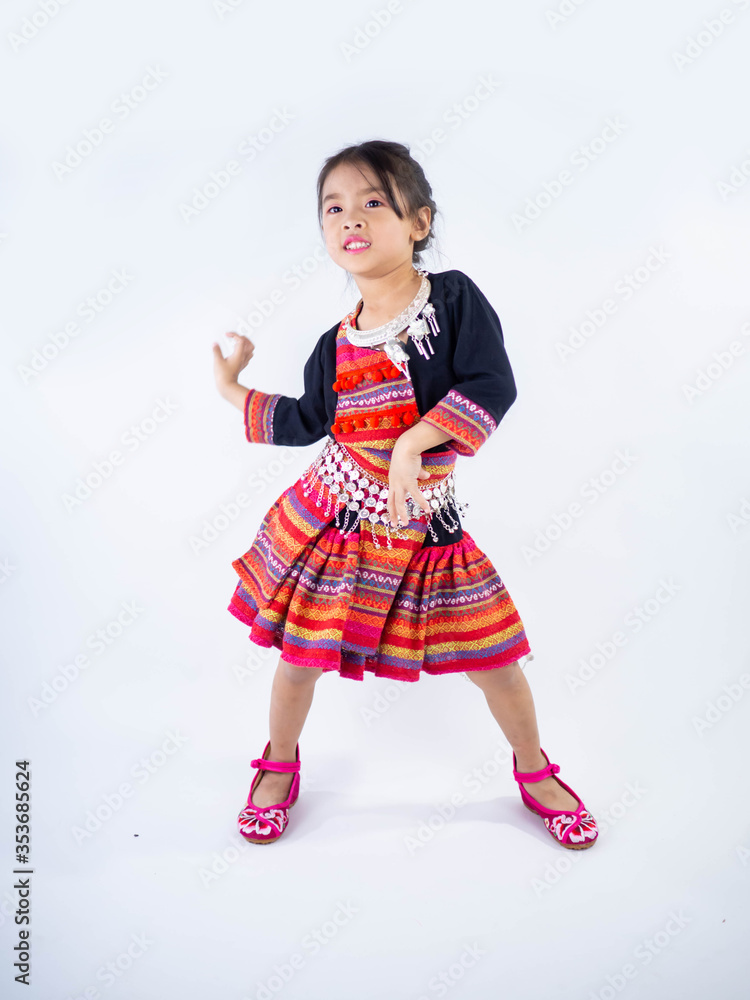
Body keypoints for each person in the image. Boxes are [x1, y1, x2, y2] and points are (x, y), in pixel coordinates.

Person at [212, 139, 598, 851]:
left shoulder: (451, 300)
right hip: (335, 521)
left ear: (418, 222)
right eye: (334, 207)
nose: (349, 218)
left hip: (426, 523)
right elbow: (307, 421)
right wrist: (232, 385)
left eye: (372, 202)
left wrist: (415, 443)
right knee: (299, 660)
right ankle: (278, 764)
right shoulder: (335, 343)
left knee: (495, 660)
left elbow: (491, 384)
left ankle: (534, 769)